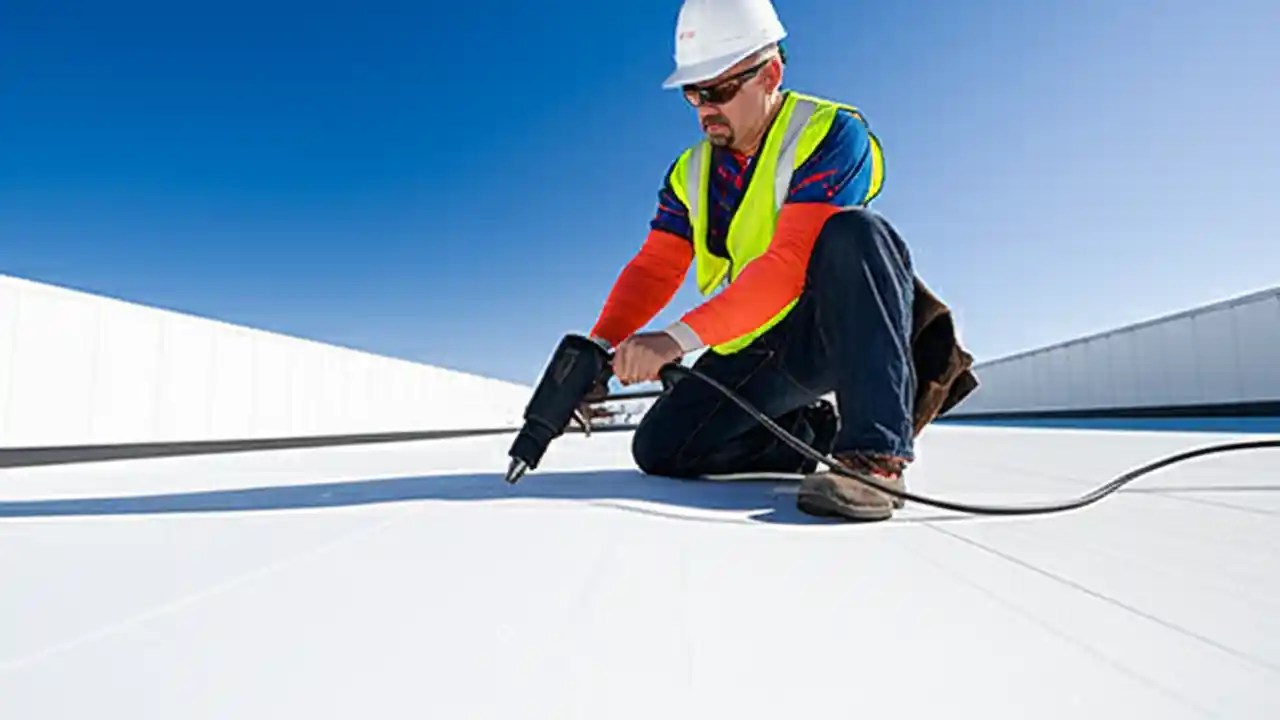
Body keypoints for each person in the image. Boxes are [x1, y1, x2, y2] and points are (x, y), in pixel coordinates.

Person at [586, 0, 977, 521]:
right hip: (754, 342)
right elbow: (656, 267)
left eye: (720, 90)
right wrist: (597, 347)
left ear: (769, 73)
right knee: (661, 448)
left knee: (856, 232)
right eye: (693, 93)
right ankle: (810, 434)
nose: (705, 108)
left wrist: (672, 340)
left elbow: (789, 265)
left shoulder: (829, 132)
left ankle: (875, 457)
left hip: (831, 327)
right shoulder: (691, 172)